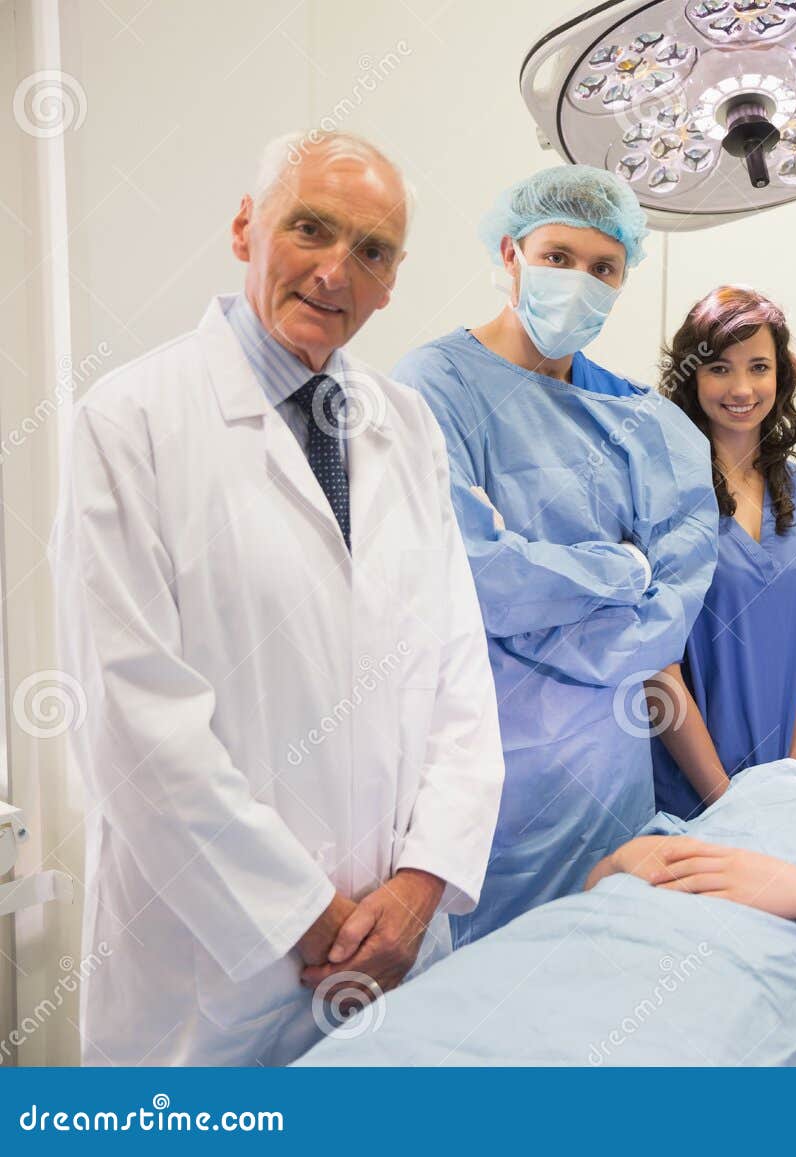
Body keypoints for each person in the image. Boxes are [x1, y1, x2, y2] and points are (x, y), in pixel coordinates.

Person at [51, 130, 504, 1066]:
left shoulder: (406, 426)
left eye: (371, 251)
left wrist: (423, 880)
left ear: (391, 282)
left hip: (395, 949)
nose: (335, 271)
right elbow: (135, 723)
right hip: (211, 979)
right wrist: (305, 914)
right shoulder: (130, 421)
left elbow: (460, 670)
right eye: (310, 228)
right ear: (244, 230)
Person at [300, 706, 796, 1067]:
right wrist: (622, 861)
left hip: (744, 983)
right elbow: (614, 872)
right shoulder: (783, 776)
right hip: (587, 941)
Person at [393, 166, 718, 944]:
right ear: (510, 253)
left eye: (604, 268)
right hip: (486, 781)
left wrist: (541, 592)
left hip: (611, 784)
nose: (579, 282)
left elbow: (670, 615)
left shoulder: (643, 419)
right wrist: (624, 570)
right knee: (483, 991)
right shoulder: (435, 386)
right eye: (558, 257)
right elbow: (477, 575)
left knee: (607, 973)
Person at [648, 286, 796, 817]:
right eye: (719, 368)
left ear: (780, 374)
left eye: (759, 367)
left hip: (793, 782)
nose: (741, 388)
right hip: (695, 790)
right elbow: (654, 666)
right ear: (692, 376)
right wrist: (727, 802)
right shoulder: (662, 494)